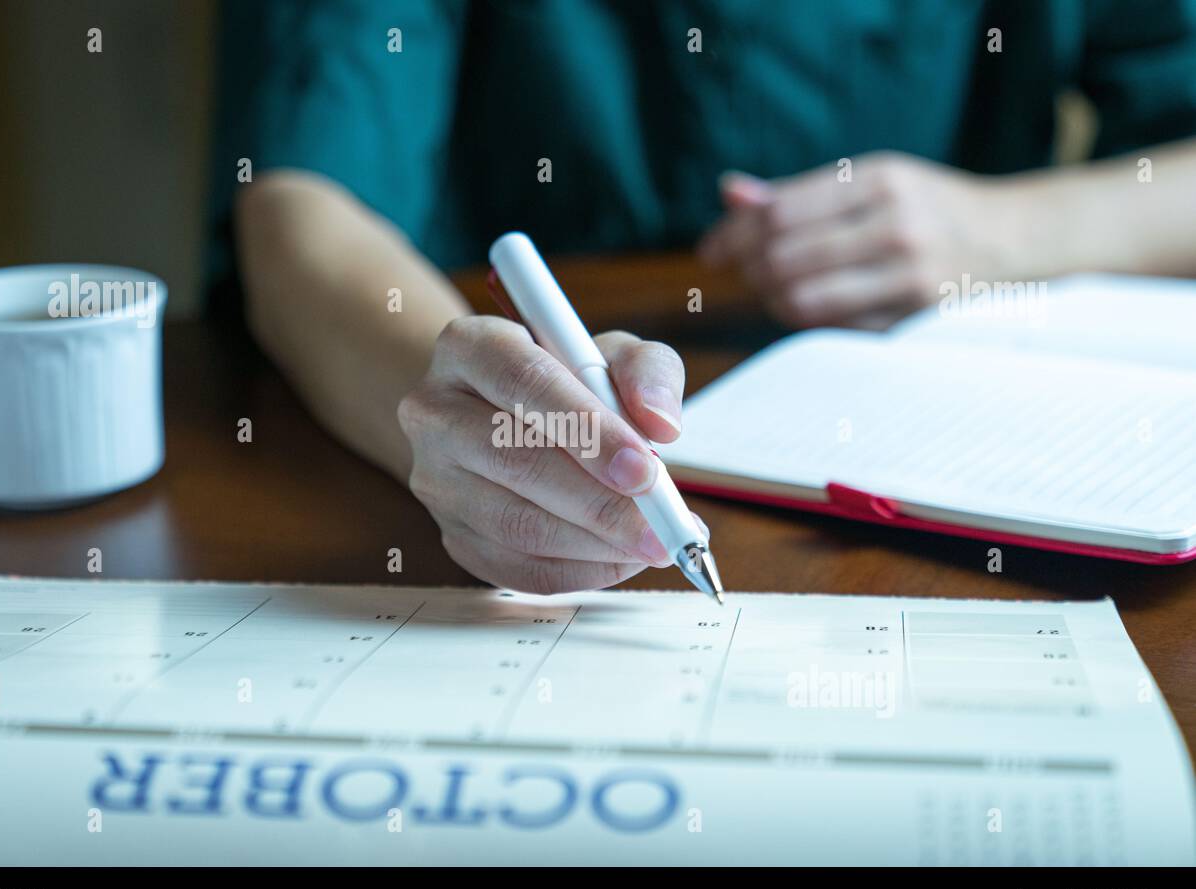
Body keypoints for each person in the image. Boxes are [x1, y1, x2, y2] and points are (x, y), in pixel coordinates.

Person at [208, 0, 1196, 593]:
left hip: (970, 421)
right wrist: (456, 400)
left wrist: (1004, 233)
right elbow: (296, 203)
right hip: (463, 444)